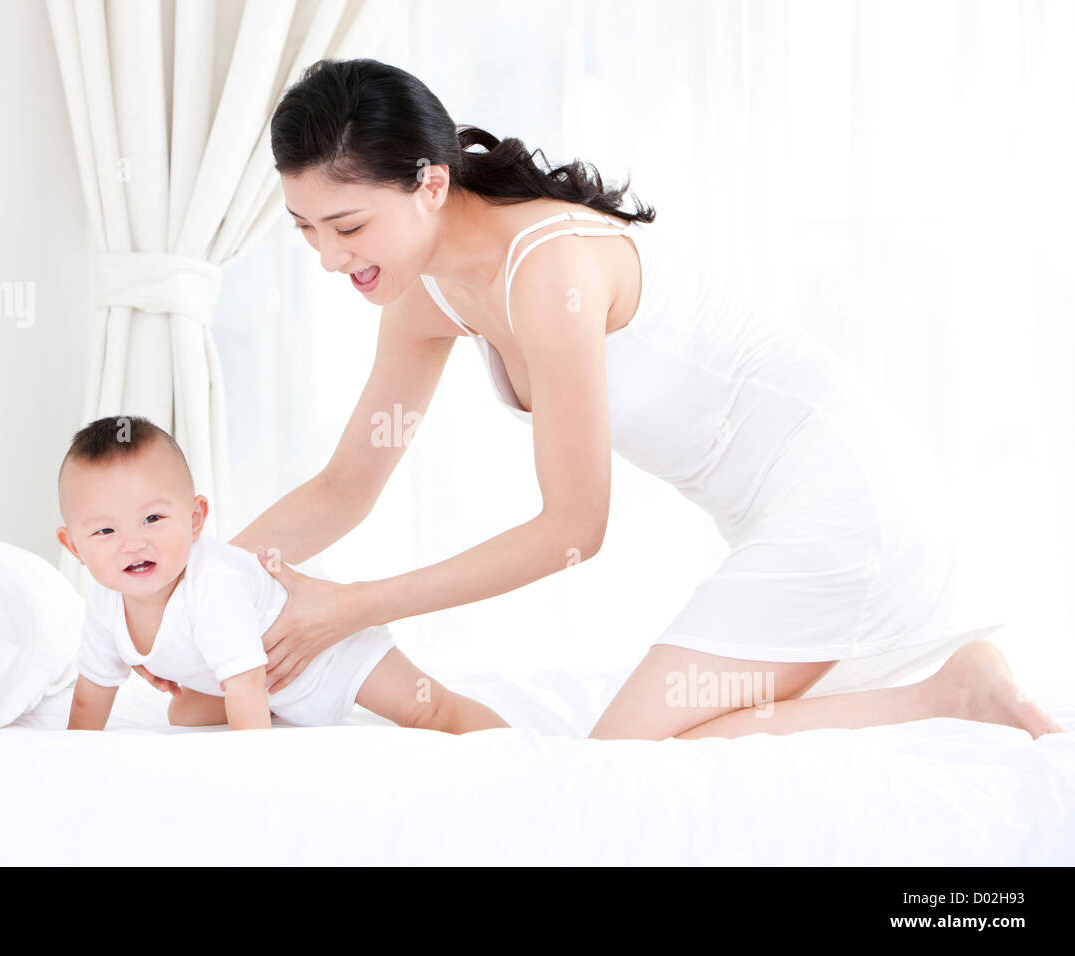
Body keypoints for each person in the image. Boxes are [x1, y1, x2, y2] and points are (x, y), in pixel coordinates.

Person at [144, 57, 1063, 742]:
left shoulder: (549, 271)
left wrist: (352, 606)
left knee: (625, 761)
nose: (331, 259)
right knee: (651, 748)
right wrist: (196, 588)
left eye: (347, 226)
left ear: (430, 184)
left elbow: (575, 528)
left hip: (846, 495)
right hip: (782, 509)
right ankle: (948, 697)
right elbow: (345, 487)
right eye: (307, 231)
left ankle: (947, 699)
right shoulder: (422, 293)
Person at [56, 414, 510, 733]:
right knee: (182, 715)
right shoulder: (105, 604)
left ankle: (519, 754)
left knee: (427, 710)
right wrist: (74, 763)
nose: (133, 543)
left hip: (328, 653)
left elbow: (246, 686)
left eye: (153, 519)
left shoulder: (213, 583)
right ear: (74, 547)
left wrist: (255, 778)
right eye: (105, 530)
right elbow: (90, 697)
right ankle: (284, 712)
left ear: (195, 519)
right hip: (272, 688)